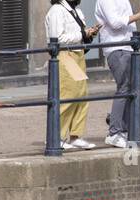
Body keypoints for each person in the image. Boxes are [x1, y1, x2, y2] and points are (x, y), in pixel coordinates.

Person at [97, 2, 140, 146]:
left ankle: (127, 131)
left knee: (131, 90)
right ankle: (114, 132)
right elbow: (115, 23)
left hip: (129, 47)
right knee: (123, 88)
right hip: (116, 47)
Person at [47, 0, 100, 150]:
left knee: (82, 96)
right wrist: (82, 34)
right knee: (67, 96)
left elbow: (79, 35)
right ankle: (57, 137)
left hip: (78, 54)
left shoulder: (76, 10)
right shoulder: (57, 10)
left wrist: (89, 34)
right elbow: (57, 38)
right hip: (65, 55)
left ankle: (76, 136)